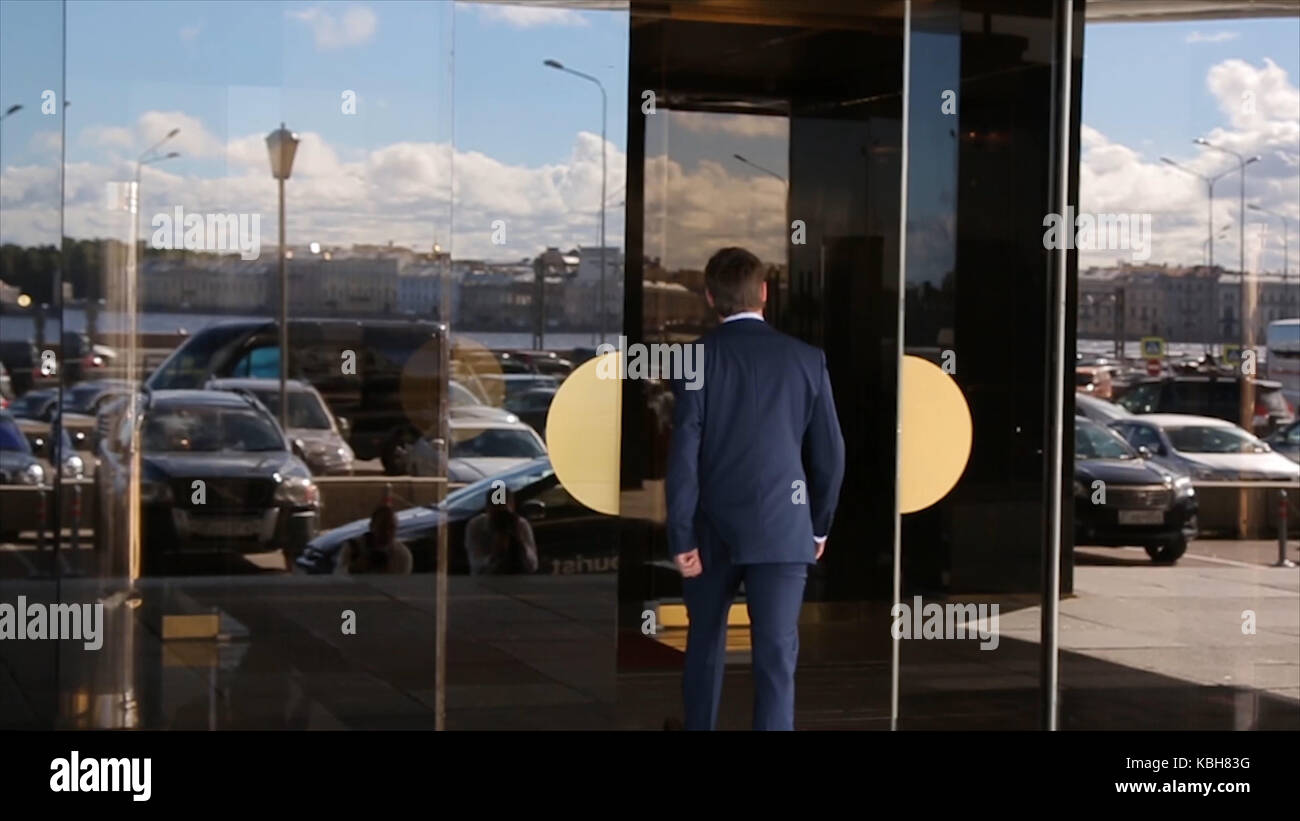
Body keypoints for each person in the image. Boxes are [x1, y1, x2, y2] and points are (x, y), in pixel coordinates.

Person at [666, 246, 846, 731]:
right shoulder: (807, 360)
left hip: (710, 530)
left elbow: (684, 455)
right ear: (764, 293)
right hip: (784, 529)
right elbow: (830, 455)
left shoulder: (695, 359)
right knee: (775, 656)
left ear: (709, 297)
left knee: (704, 642)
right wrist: (818, 526)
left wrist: (681, 534)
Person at [464, 488, 538, 575]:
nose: (501, 519)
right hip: (484, 583)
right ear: (487, 509)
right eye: (496, 513)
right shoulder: (476, 526)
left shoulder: (521, 525)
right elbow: (476, 565)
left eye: (504, 514)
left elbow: (533, 565)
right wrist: (494, 556)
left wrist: (519, 542)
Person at [335, 505, 413, 575]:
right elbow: (336, 578)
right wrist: (353, 568)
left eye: (392, 528)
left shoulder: (402, 555)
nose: (387, 532)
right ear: (371, 526)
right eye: (382, 526)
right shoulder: (352, 548)